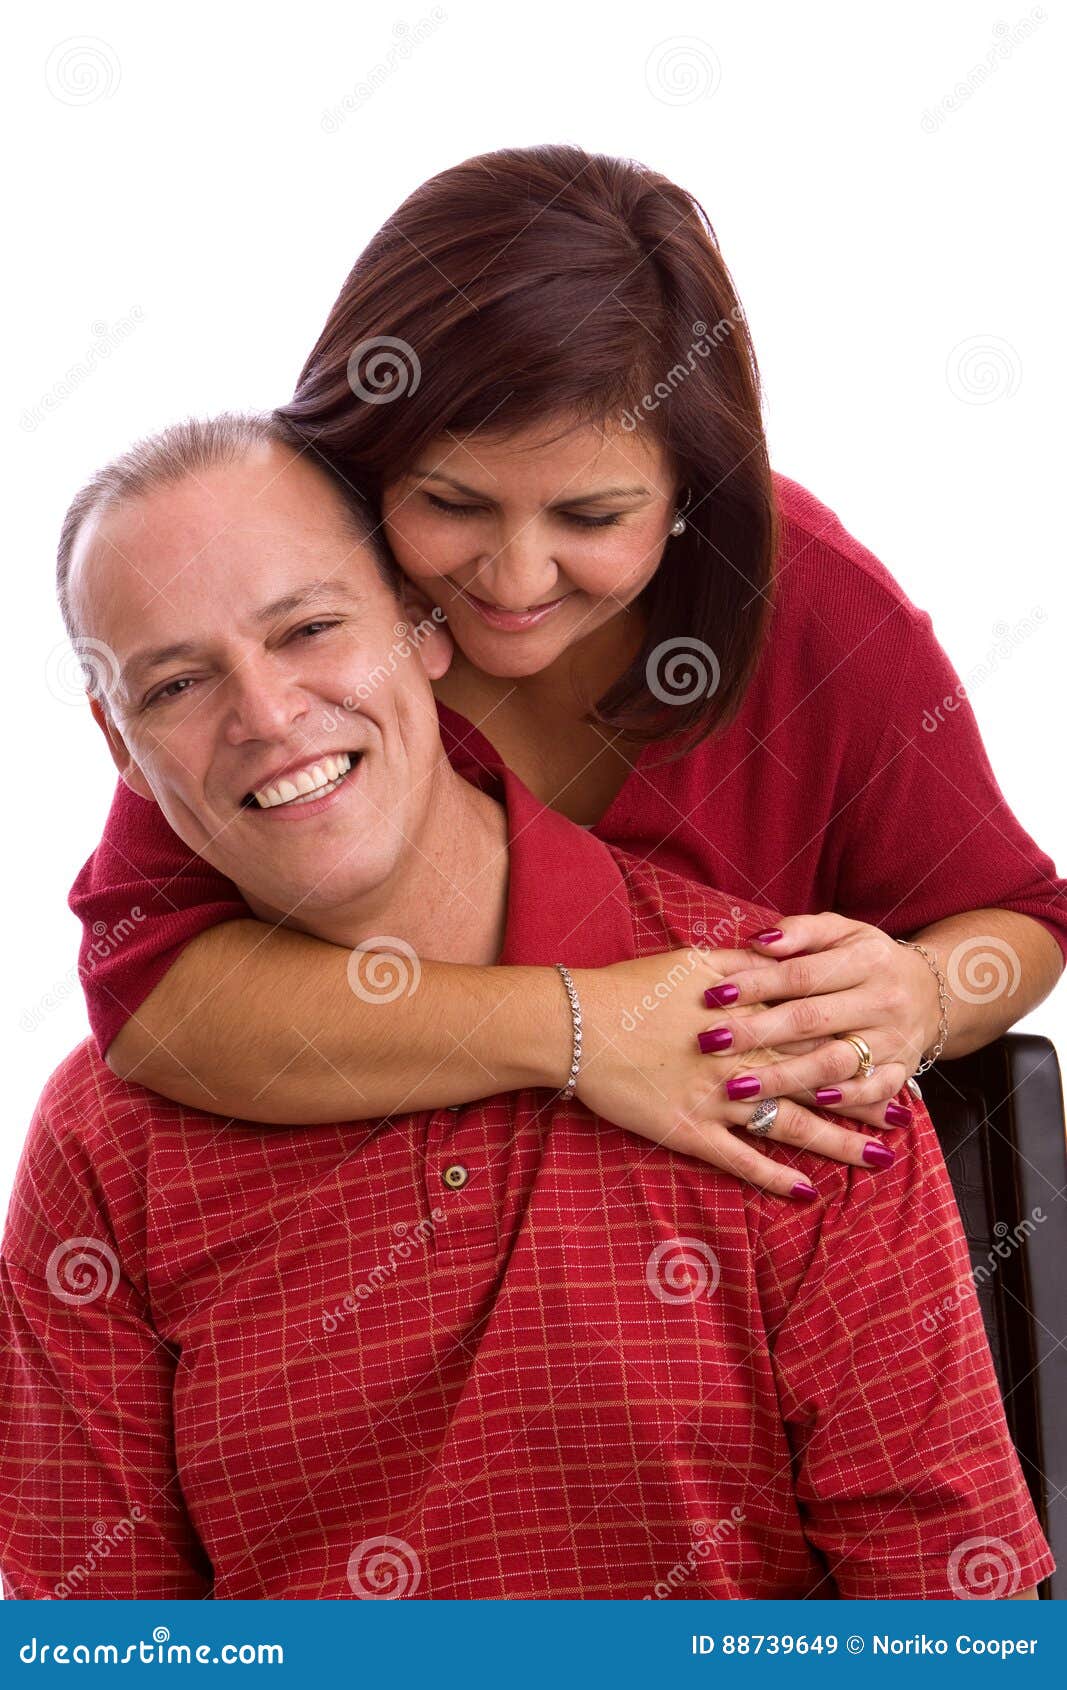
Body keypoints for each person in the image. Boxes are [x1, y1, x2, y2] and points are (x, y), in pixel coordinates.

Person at [1, 414, 1051, 1599]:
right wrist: (571, 1030)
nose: (267, 714)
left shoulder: (775, 1026)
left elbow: (951, 1627)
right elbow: (93, 1647)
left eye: (310, 629)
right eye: (179, 682)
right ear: (122, 747)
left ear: (422, 627)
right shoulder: (103, 1143)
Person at [68, 145, 1066, 1196]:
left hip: (734, 1242)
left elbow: (1018, 921)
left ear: (691, 494)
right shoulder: (306, 624)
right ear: (364, 467)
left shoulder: (813, 606)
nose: (512, 577)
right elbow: (154, 995)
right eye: (451, 504)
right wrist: (584, 1030)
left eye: (591, 517)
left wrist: (923, 991)